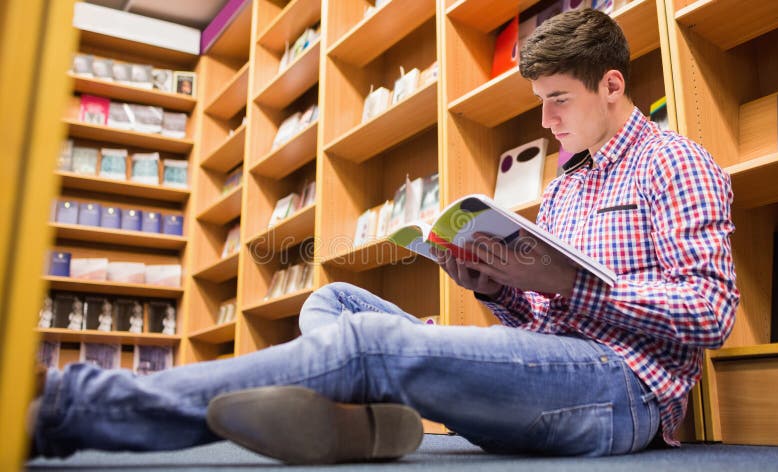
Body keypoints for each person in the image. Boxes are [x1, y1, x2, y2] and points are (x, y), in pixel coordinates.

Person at [28, 9, 738, 464]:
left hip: (623, 394)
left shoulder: (675, 162)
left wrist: (574, 285)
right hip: (558, 370)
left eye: (558, 101)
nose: (547, 121)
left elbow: (712, 312)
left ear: (612, 85)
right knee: (336, 302)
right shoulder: (566, 184)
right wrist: (495, 286)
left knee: (368, 345)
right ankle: (368, 426)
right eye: (540, 103)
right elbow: (543, 319)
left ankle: (74, 406)